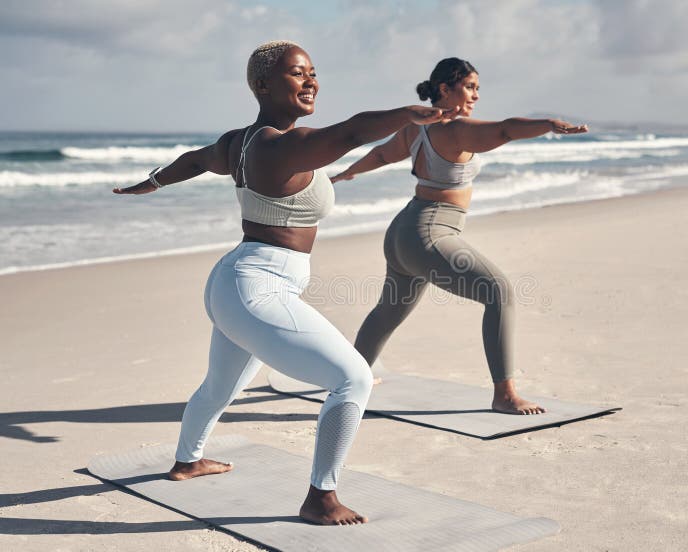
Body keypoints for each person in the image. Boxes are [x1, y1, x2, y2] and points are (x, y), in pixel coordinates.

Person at [113, 41, 451, 525]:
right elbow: (354, 130)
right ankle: (322, 498)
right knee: (352, 379)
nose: (311, 81)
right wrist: (410, 114)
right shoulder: (284, 144)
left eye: (314, 72)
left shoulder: (239, 142)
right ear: (263, 85)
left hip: (237, 282)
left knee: (219, 387)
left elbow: (192, 160)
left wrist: (149, 182)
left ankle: (188, 461)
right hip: (256, 287)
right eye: (298, 74)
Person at [331, 58, 588, 415]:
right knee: (498, 291)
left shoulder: (414, 127)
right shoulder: (457, 128)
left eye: (477, 88)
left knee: (389, 311)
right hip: (429, 233)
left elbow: (379, 154)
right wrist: (547, 124)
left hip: (402, 232)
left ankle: (352, 378)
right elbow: (505, 130)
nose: (476, 96)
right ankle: (505, 395)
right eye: (469, 87)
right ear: (444, 90)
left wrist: (347, 173)